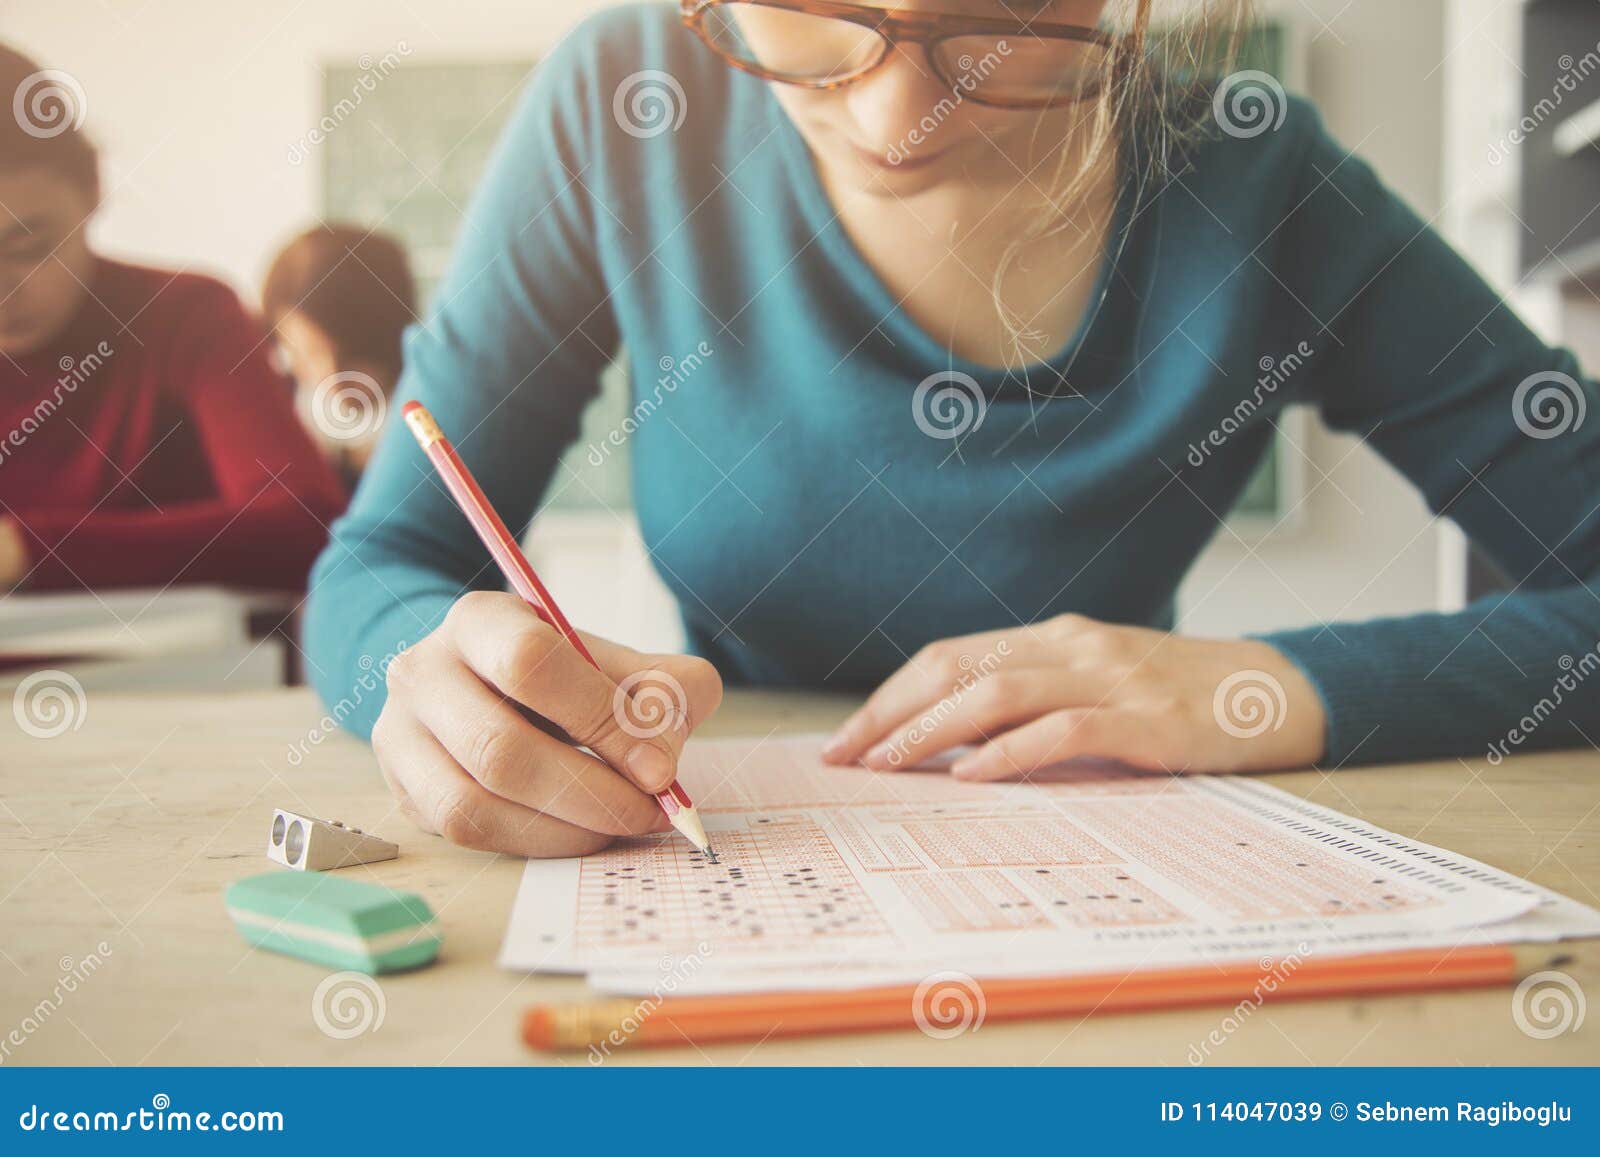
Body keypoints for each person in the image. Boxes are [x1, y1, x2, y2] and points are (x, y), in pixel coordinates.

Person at [304, 2, 1600, 858]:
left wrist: (1269, 689)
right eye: (817, 12)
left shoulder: (1262, 180)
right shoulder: (628, 101)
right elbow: (380, 564)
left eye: (991, 18)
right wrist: (422, 675)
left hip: (1112, 889)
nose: (889, 124)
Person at [0, 44, 344, 592]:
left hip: (186, 673)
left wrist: (25, 548)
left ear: (92, 190)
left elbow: (305, 522)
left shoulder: (186, 316)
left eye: (30, 244)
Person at [261, 224, 417, 492]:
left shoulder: (436, 420)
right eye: (307, 353)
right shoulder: (274, 412)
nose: (333, 381)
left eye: (353, 357)